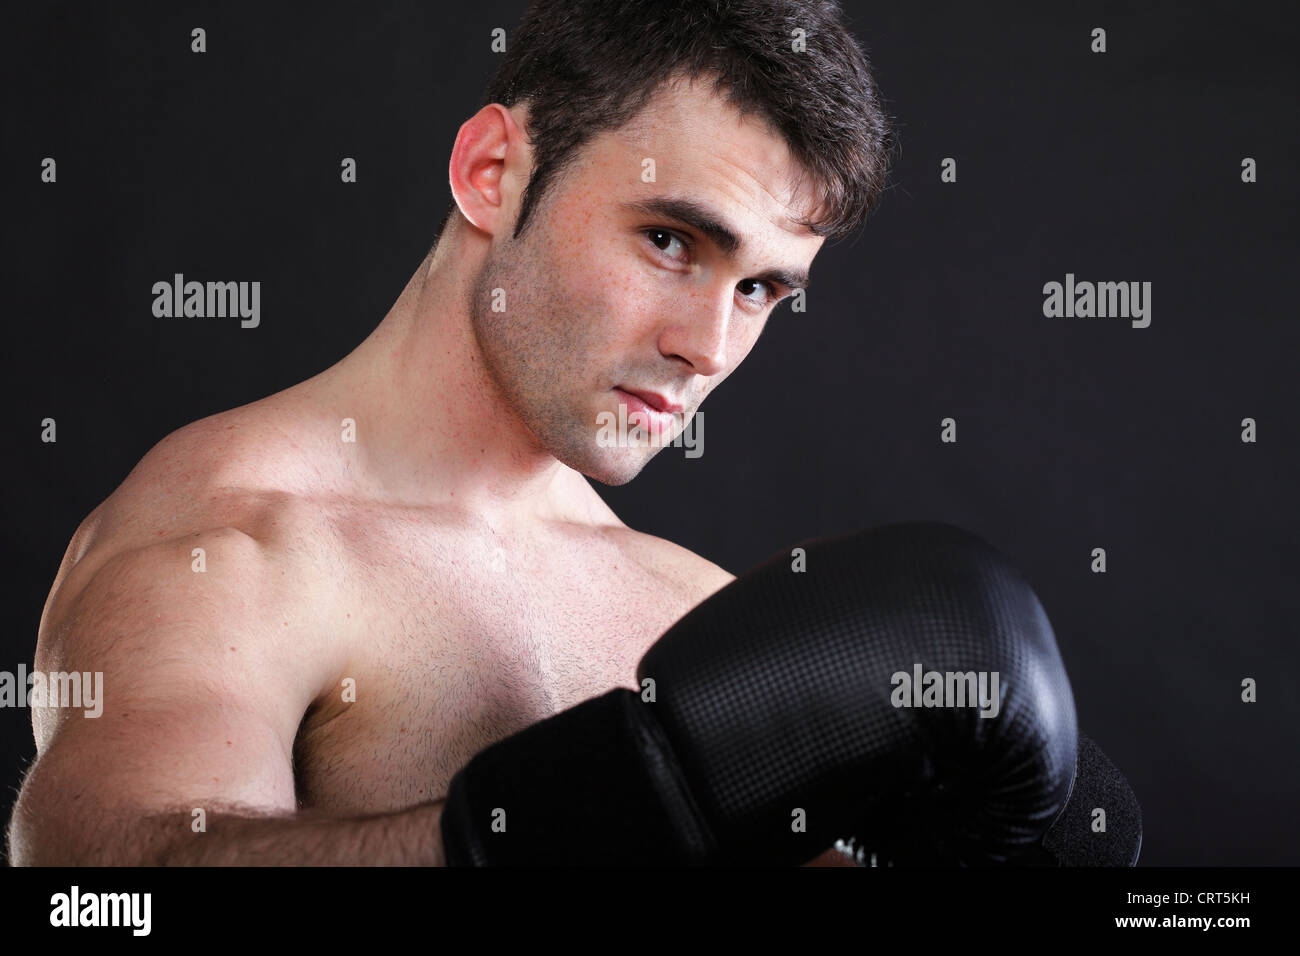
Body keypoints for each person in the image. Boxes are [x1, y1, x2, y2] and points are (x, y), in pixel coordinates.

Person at [6, 0, 894, 865]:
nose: (707, 347)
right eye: (669, 240)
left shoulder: (695, 613)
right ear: (492, 173)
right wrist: (521, 837)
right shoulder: (236, 545)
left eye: (759, 290)